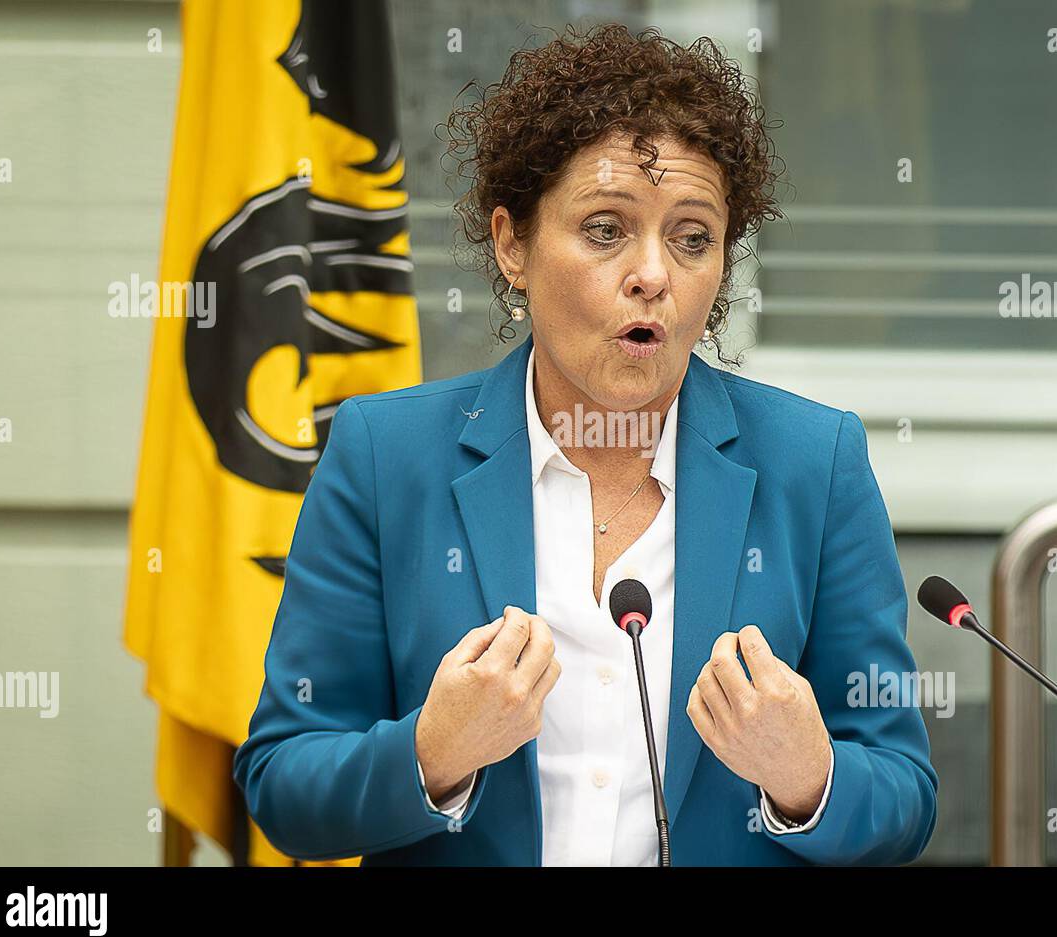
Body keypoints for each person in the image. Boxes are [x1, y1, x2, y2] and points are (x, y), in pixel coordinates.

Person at [233, 22, 937, 866]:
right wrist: (433, 752)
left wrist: (808, 778)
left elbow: (904, 798)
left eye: (692, 237)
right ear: (511, 244)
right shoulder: (385, 456)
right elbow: (284, 783)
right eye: (606, 229)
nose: (654, 275)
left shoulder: (813, 463)